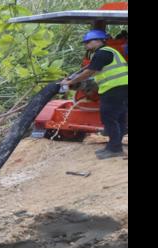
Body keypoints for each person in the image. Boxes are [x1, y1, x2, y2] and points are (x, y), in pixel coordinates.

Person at [62, 29, 129, 159]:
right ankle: (114, 147)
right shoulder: (110, 51)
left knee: (109, 118)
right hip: (121, 87)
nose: (86, 45)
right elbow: (89, 70)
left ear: (98, 41)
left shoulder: (102, 53)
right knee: (119, 117)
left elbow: (89, 72)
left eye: (88, 42)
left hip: (113, 88)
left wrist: (71, 81)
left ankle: (114, 148)